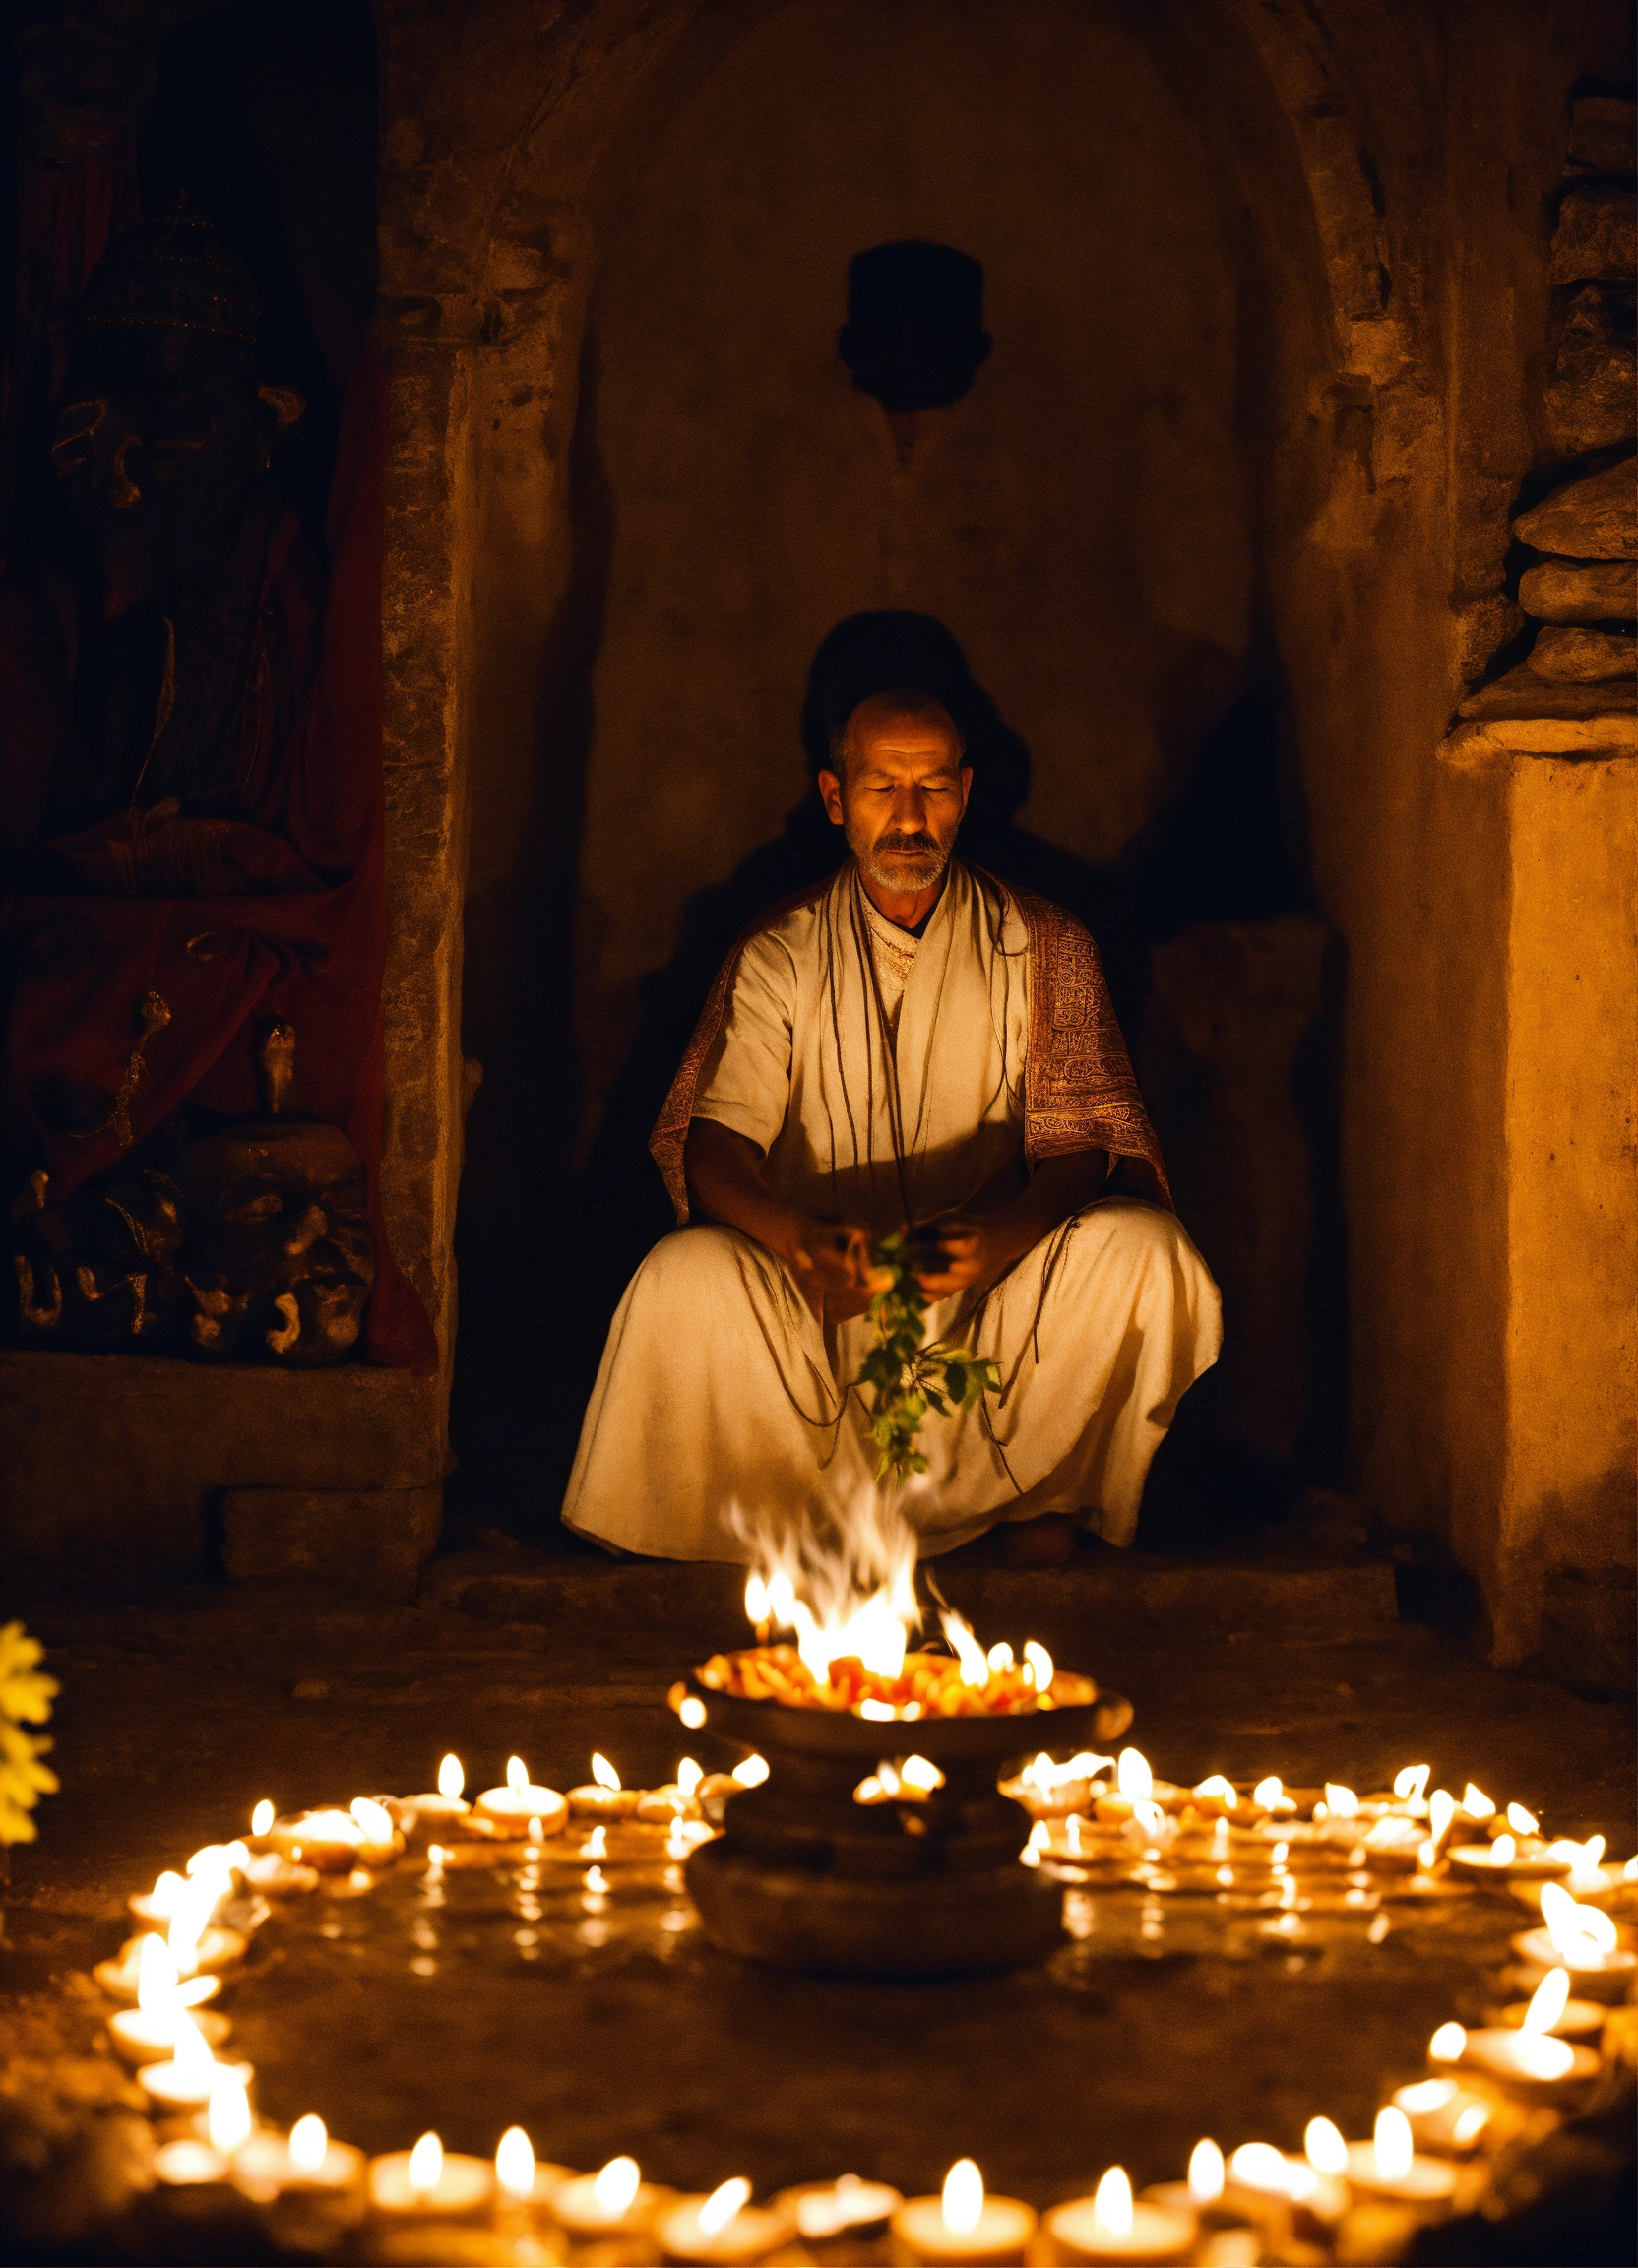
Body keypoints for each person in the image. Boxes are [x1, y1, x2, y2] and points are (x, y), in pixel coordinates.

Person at [562, 689, 1221, 1562]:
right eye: (882, 788)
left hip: (989, 1303)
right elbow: (713, 1145)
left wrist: (992, 1243)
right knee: (682, 1276)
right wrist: (800, 1241)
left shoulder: (1045, 943)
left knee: (1144, 1252)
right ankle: (786, 1525)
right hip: (822, 1303)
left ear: (965, 793)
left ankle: (1036, 1504)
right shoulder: (779, 952)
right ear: (836, 798)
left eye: (933, 788)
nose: (910, 819)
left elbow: (1082, 1146)